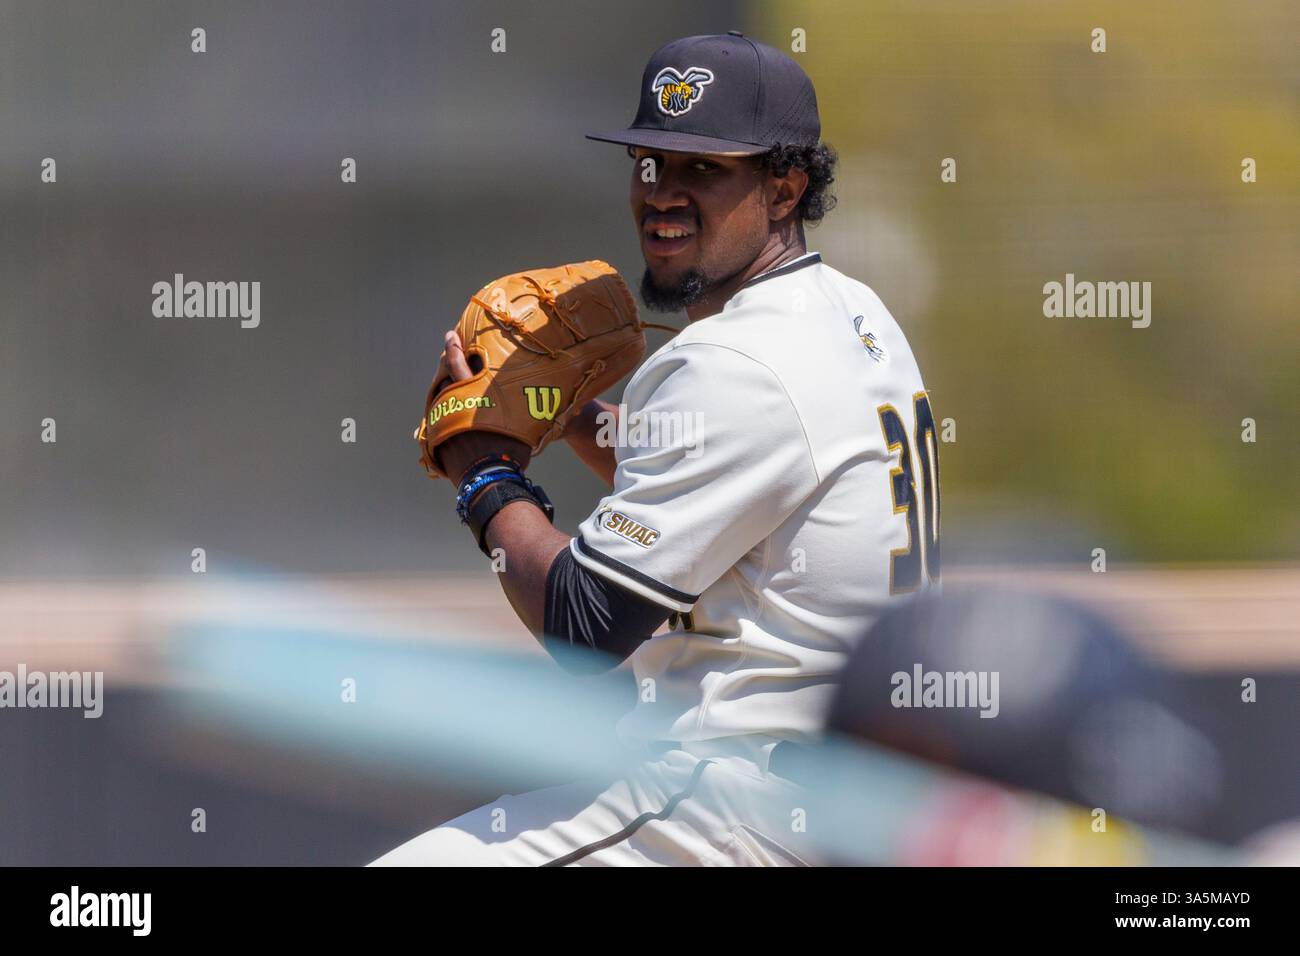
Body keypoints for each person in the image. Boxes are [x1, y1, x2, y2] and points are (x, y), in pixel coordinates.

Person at [372, 31, 940, 866]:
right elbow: (721, 486)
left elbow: (584, 619)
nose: (663, 195)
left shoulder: (730, 363)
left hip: (729, 809)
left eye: (705, 170)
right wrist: (568, 414)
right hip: (842, 799)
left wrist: (484, 468)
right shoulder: (854, 313)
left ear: (785, 187)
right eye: (651, 163)